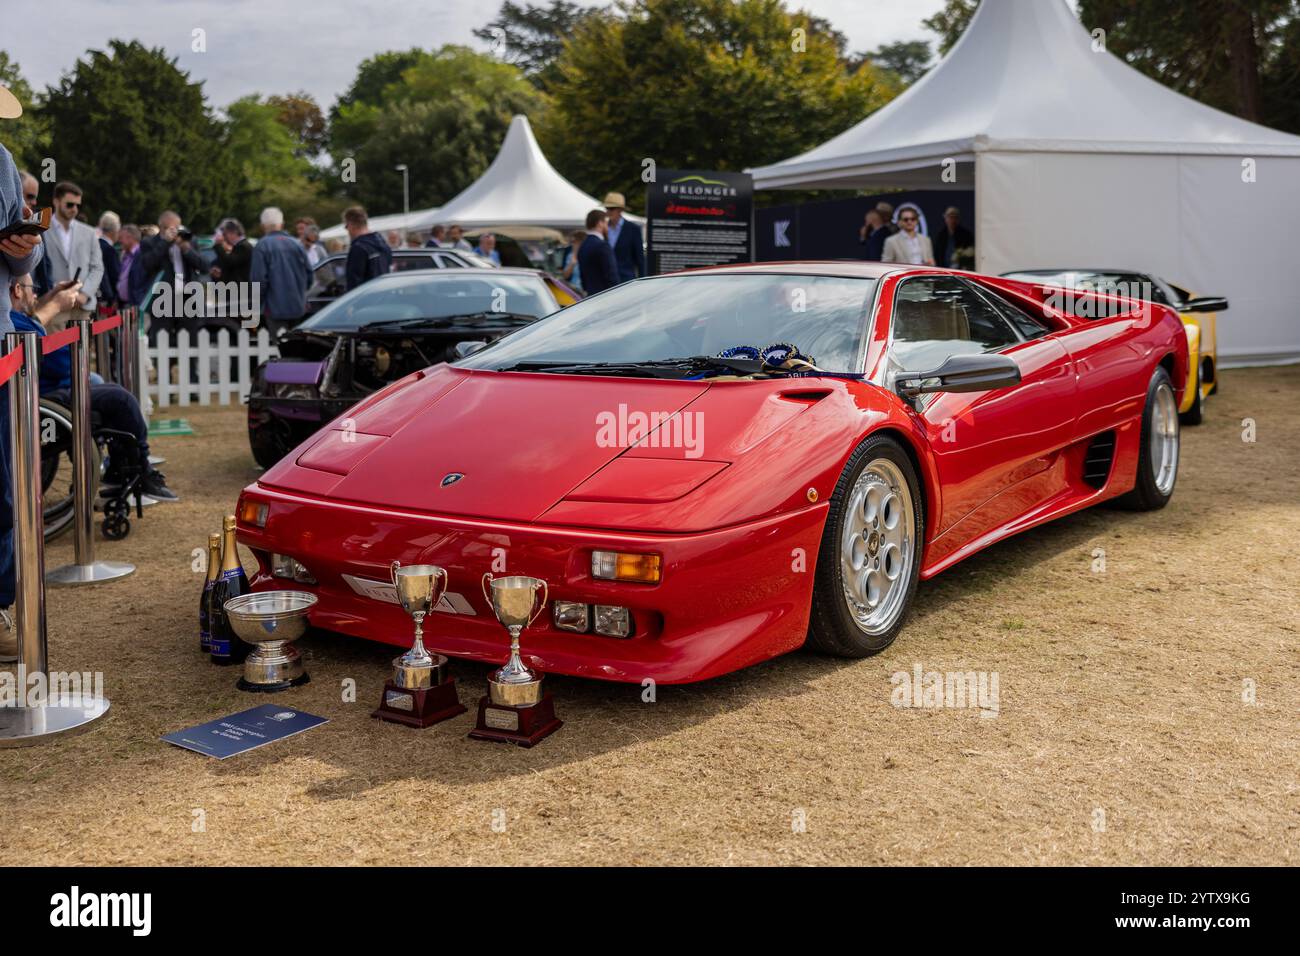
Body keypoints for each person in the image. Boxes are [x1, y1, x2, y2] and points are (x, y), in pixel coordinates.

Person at [8, 274, 178, 501]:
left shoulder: (14, 318)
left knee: (102, 386)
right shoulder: (13, 320)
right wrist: (58, 306)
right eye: (33, 288)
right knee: (121, 399)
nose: (36, 293)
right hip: (40, 398)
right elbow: (55, 361)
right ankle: (138, 467)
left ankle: (121, 464)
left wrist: (53, 297)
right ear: (17, 290)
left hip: (41, 391)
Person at [1, 82, 46, 657]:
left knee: (2, 490)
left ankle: (1, 608)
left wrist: (21, 248)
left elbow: (23, 253)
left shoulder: (3, 161)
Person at [131, 209, 205, 336]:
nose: (175, 231)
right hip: (163, 299)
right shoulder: (149, 242)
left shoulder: (189, 241)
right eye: (171, 228)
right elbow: (148, 264)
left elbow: (204, 266)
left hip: (188, 298)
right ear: (161, 227)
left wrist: (187, 250)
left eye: (177, 227)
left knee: (190, 341)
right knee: (160, 340)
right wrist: (165, 242)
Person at [44, 181, 104, 332]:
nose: (75, 209)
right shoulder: (42, 230)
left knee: (81, 354)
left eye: (78, 205)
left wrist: (84, 294)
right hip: (54, 304)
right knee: (56, 354)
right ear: (56, 201)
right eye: (70, 204)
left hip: (82, 306)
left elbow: (97, 267)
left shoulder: (89, 233)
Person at [249, 206, 311, 336]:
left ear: (262, 226)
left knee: (282, 349)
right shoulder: (297, 244)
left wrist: (256, 304)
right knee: (298, 347)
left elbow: (259, 280)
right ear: (282, 224)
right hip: (298, 307)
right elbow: (309, 275)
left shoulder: (262, 246)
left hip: (274, 309)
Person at [343, 206, 391, 291]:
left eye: (346, 226)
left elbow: (354, 282)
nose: (347, 229)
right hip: (384, 294)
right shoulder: (382, 243)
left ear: (351, 224)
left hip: (367, 299)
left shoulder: (358, 248)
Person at [603, 192, 645, 284]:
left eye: (611, 208)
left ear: (620, 210)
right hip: (605, 283)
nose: (608, 211)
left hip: (626, 283)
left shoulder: (633, 229)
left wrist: (643, 284)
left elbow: (640, 260)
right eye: (607, 208)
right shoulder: (603, 228)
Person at [576, 209, 618, 295]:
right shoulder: (602, 246)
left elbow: (582, 276)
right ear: (600, 223)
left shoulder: (583, 245)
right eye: (606, 223)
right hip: (605, 296)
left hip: (590, 296)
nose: (608, 226)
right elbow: (611, 276)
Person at [211, 218, 252, 285]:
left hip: (241, 292)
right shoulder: (239, 246)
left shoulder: (243, 247)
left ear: (233, 232)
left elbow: (230, 261)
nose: (224, 238)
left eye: (224, 234)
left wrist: (218, 245)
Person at [96, 210, 122, 310]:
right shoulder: (110, 250)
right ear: (114, 230)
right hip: (108, 300)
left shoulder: (96, 244)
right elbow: (115, 276)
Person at [115, 224, 141, 306]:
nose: (119, 241)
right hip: (124, 304)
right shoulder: (125, 255)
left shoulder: (140, 254)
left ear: (130, 238)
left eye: (121, 237)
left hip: (135, 304)